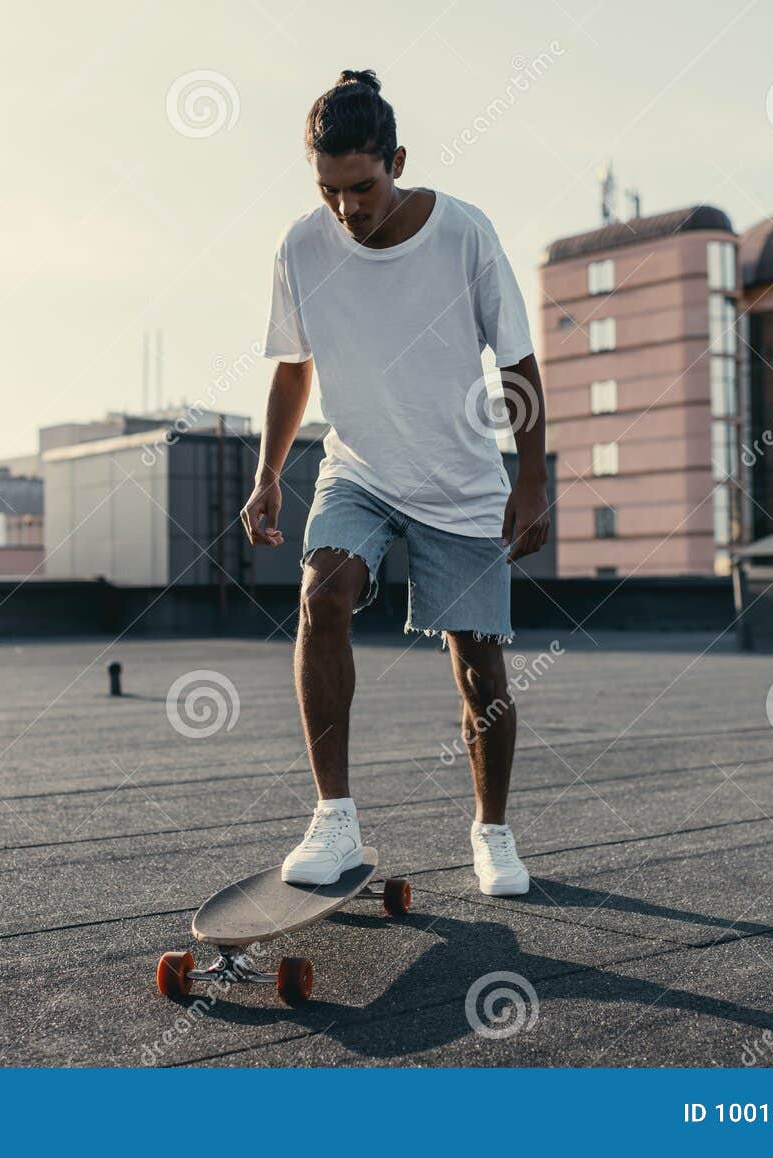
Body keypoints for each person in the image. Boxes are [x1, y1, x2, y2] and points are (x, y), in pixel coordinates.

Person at [242, 68, 551, 898]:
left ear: (398, 160)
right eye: (331, 190)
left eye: (363, 186)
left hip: (459, 479)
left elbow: (518, 361)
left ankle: (493, 831)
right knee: (321, 594)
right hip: (361, 469)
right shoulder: (301, 246)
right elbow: (291, 369)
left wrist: (532, 480)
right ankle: (334, 818)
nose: (348, 208)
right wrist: (269, 474)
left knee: (480, 669)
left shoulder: (464, 234)